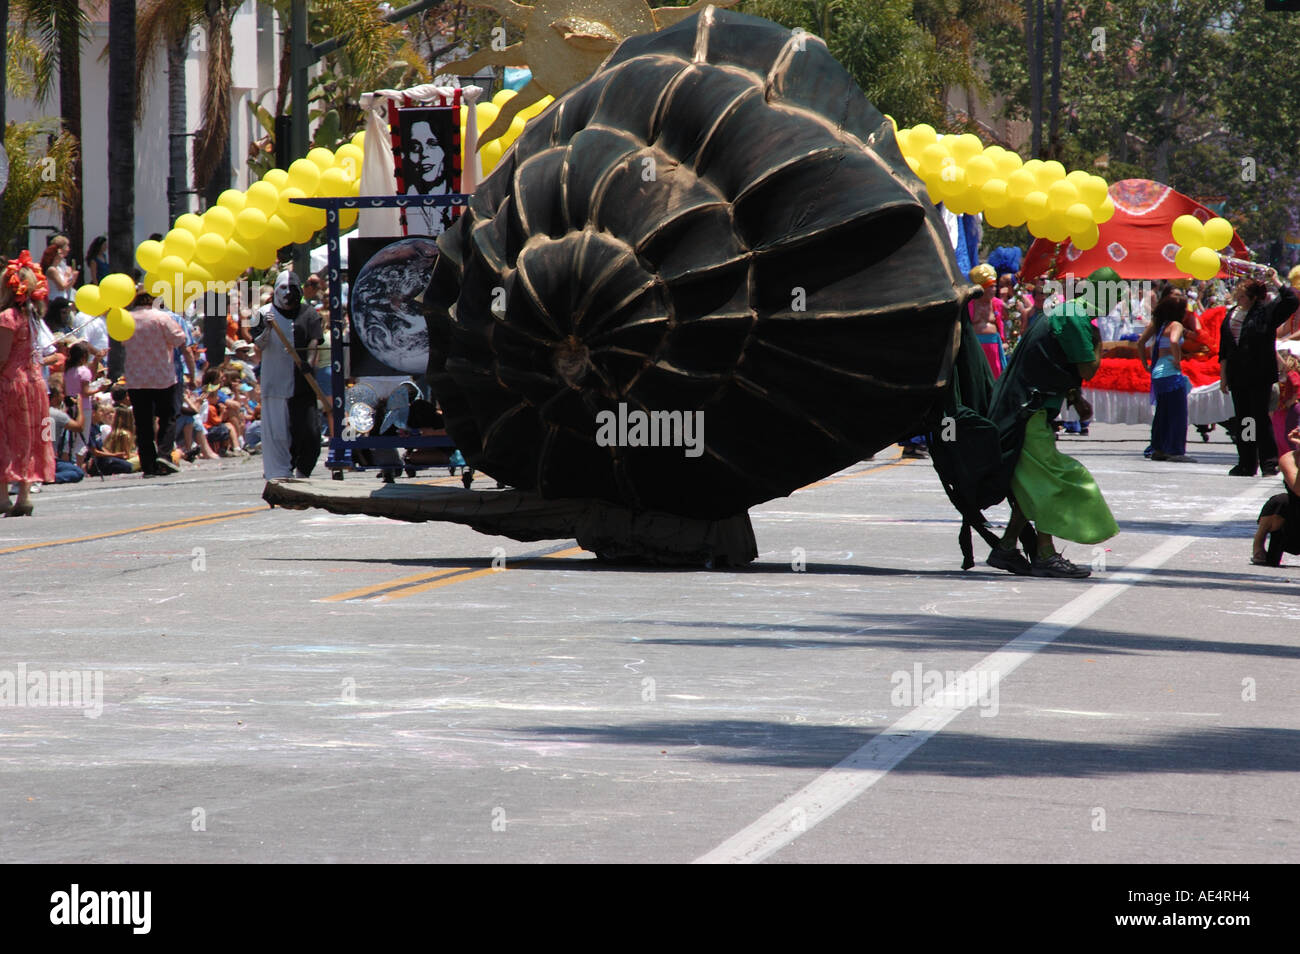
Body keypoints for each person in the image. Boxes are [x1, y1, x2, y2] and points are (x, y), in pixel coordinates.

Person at [984, 270, 1120, 577]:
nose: (1114, 306)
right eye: (1114, 297)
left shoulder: (1066, 312)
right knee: (1056, 478)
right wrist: (1100, 343)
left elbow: (1054, 362)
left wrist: (1074, 397)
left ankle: (1006, 547)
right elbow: (1087, 368)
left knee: (1035, 481)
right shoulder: (1075, 317)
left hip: (1027, 410)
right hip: (1026, 412)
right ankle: (1045, 555)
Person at [1220, 270, 1297, 476]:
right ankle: (1247, 462)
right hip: (1238, 376)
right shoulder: (1231, 314)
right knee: (1245, 420)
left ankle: (1269, 462)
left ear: (1254, 297)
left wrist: (1276, 280)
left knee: (1260, 418)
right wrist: (1223, 376)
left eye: (1243, 295)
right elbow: (1224, 348)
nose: (1238, 298)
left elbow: (1291, 300)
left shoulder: (1265, 313)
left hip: (1259, 374)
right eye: (1237, 295)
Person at [0, 251, 56, 515]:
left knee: (6, 437)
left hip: (11, 382)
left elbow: (2, 357)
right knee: (29, 438)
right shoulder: (33, 317)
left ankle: (3, 497)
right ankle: (24, 496)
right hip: (34, 382)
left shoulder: (7, 317)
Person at [122, 285, 187, 477]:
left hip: (136, 378)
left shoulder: (127, 319)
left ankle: (148, 466)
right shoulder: (161, 317)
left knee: (143, 423)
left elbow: (122, 341)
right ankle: (164, 454)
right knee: (168, 417)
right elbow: (179, 339)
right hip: (161, 376)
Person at [250, 272, 305, 479]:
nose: (288, 292)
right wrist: (267, 329)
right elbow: (259, 344)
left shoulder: (305, 312)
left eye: (292, 288)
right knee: (276, 430)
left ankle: (297, 466)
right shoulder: (262, 313)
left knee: (299, 430)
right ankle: (276, 471)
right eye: (283, 288)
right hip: (274, 382)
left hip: (300, 382)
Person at [1137, 289, 1196, 462]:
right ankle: (1174, 449)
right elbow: (1173, 341)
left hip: (1158, 372)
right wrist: (1177, 360)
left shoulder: (1160, 324)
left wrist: (1145, 364)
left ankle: (1159, 447)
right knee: (1177, 413)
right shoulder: (1176, 325)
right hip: (1171, 372)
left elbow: (1140, 342)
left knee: (1162, 413)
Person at [1253, 427, 1300, 565]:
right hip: (1295, 523)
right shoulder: (1289, 459)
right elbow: (1298, 491)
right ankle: (1258, 543)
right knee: (1280, 501)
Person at [403, 118, 455, 236]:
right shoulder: (403, 203)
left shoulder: (463, 194)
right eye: (415, 147)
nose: (424, 153)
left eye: (432, 144)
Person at [967, 264, 1006, 379]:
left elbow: (1012, 319)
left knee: (995, 376)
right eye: (990, 287)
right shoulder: (969, 305)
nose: (994, 289)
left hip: (994, 345)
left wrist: (1006, 340)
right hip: (976, 345)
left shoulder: (998, 304)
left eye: (995, 286)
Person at [40, 235, 78, 306]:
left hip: (63, 299)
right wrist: (67, 276)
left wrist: (73, 278)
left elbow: (66, 287)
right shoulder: (52, 269)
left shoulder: (59, 268)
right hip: (54, 300)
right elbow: (61, 287)